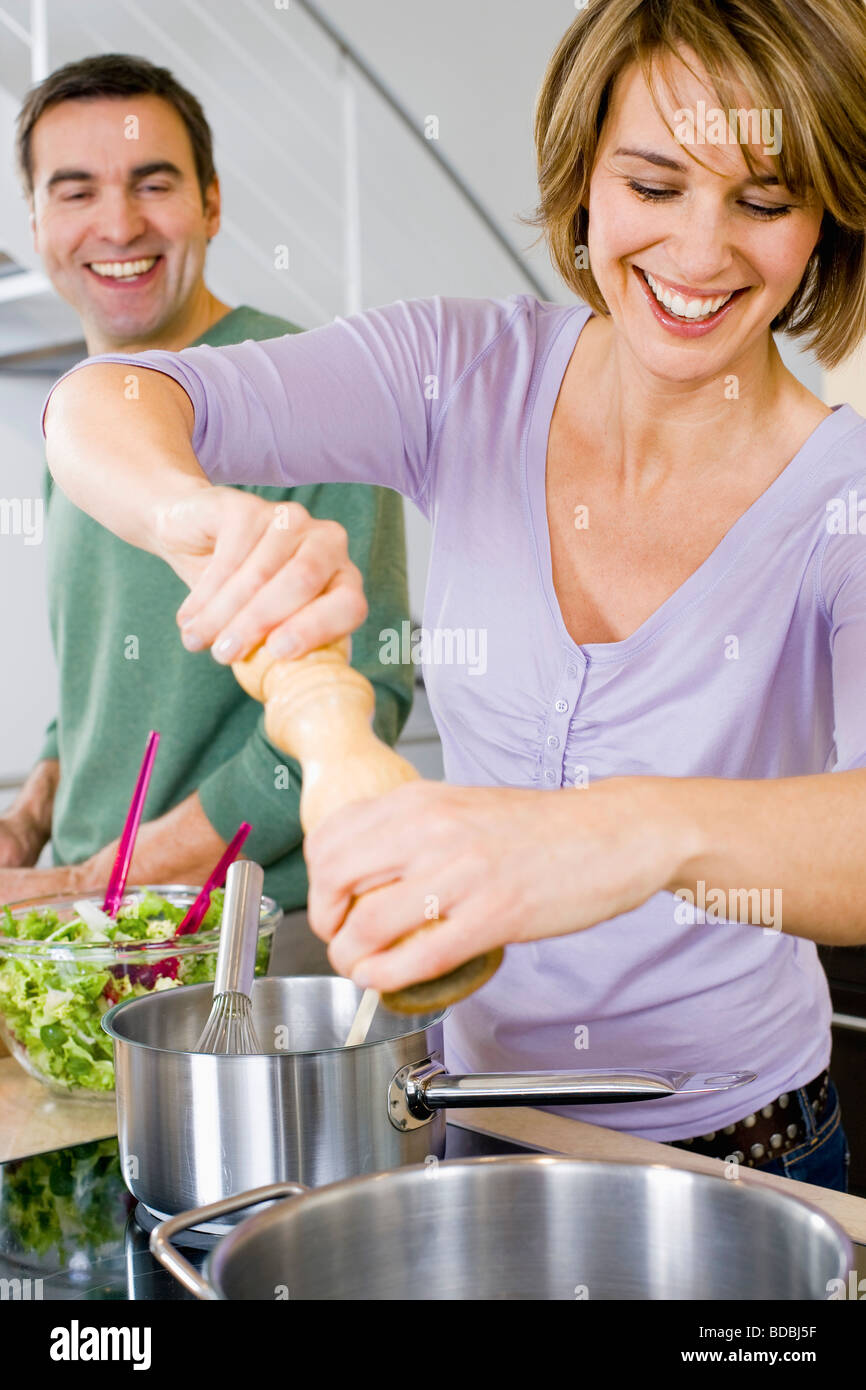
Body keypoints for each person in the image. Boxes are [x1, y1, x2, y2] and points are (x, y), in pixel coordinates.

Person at [42, 0, 866, 1191]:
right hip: (476, 1133)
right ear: (583, 172)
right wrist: (207, 521)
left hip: (747, 1158)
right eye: (651, 183)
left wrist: (628, 832)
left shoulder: (843, 496)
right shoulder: (461, 374)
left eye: (763, 200)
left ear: (825, 217)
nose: (698, 254)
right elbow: (108, 401)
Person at [0, 54, 412, 913]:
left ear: (211, 203)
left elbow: (363, 702)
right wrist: (30, 817)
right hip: (88, 932)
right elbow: (101, 691)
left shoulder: (304, 395)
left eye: (153, 184)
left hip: (242, 944)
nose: (118, 226)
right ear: (34, 222)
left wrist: (91, 883)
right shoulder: (75, 425)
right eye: (75, 192)